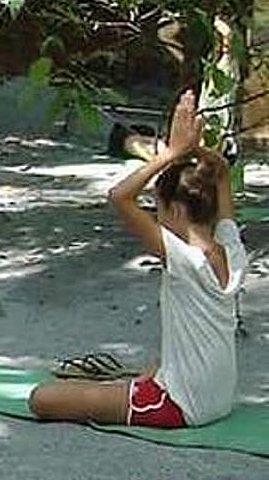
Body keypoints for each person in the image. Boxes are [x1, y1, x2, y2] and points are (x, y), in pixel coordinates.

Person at [28, 91, 248, 428]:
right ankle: (139, 386)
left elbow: (119, 196)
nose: (156, 217)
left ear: (174, 209)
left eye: (157, 209)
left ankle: (137, 391)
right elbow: (219, 176)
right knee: (155, 367)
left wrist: (175, 152)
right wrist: (196, 153)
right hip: (218, 399)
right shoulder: (232, 256)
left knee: (42, 398)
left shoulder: (186, 259)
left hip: (181, 406)